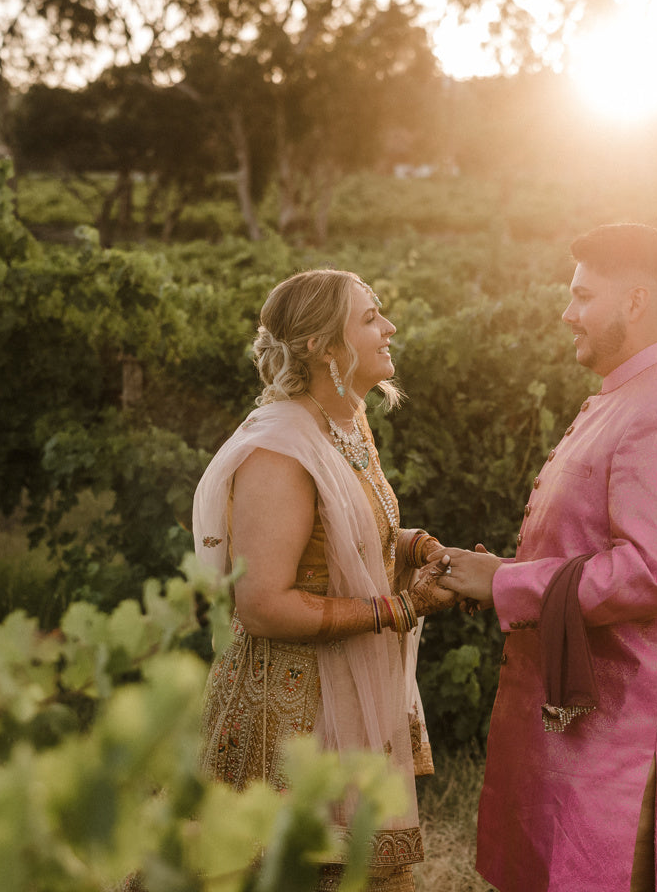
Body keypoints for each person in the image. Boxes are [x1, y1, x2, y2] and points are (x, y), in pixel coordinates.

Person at [436, 223, 657, 892]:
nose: (565, 313)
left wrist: (506, 585)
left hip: (633, 724)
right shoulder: (635, 389)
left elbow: (650, 573)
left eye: (582, 296)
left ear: (634, 301)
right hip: (598, 715)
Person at [192, 268, 456, 892]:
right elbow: (259, 605)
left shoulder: (346, 424)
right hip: (290, 714)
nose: (389, 327)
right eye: (370, 318)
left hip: (343, 695)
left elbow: (349, 534)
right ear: (322, 347)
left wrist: (411, 545)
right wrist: (397, 609)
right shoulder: (280, 451)